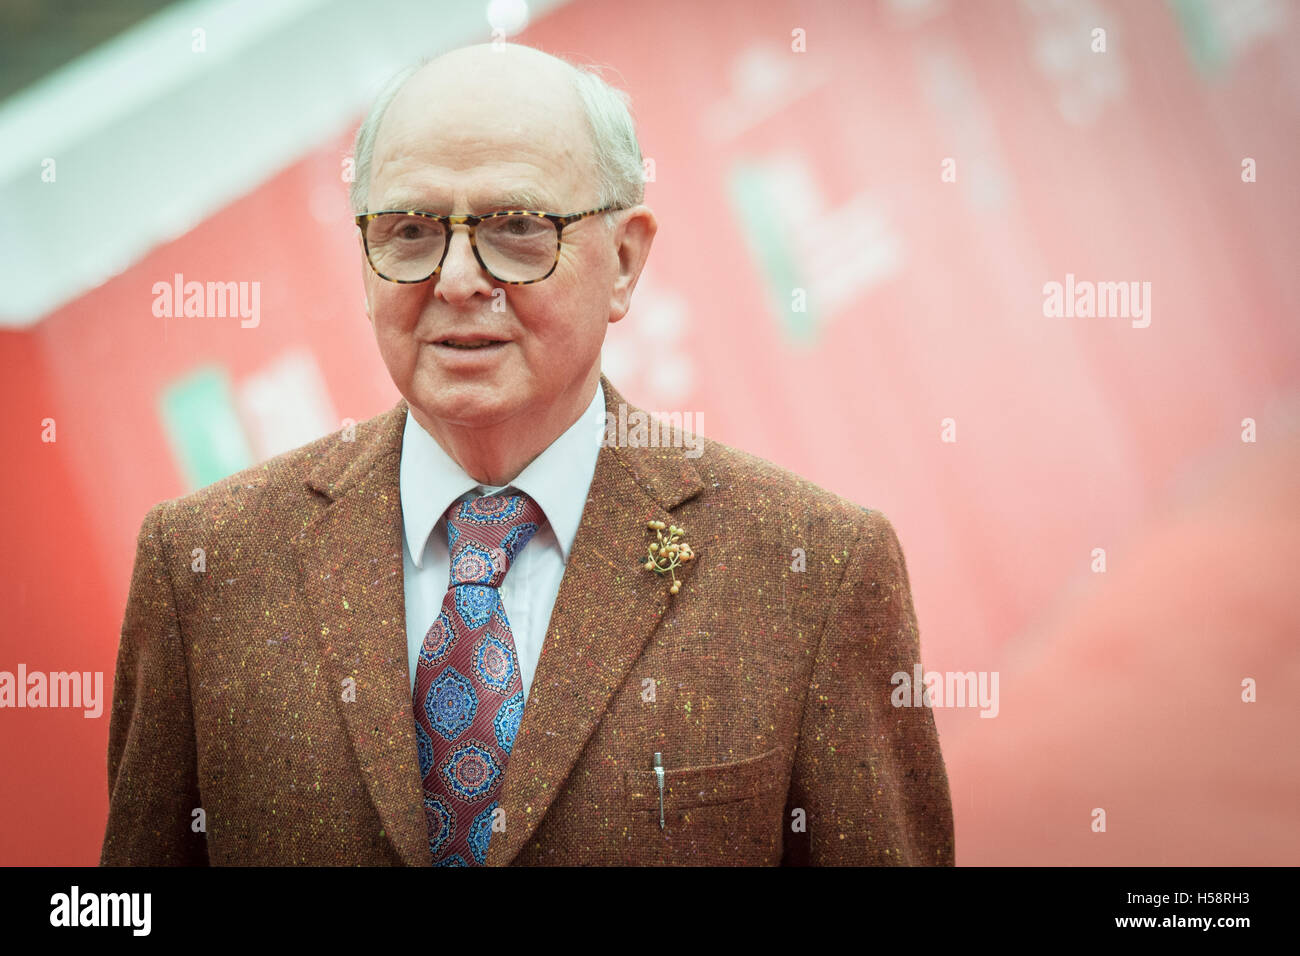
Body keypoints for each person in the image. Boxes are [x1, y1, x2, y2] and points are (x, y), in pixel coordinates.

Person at [100, 41, 954, 866]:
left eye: (516, 227)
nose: (459, 278)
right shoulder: (205, 571)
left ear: (624, 260)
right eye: (409, 231)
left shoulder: (813, 569)